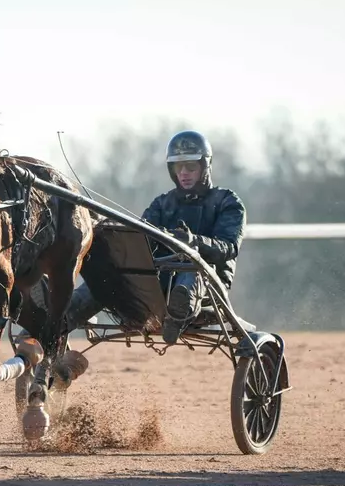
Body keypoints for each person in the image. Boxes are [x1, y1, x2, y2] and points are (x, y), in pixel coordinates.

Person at [60, 129, 247, 344]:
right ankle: (58, 321)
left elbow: (228, 247)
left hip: (208, 284)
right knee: (108, 275)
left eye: (191, 167)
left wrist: (192, 242)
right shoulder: (162, 204)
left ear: (205, 166)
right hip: (158, 283)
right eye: (178, 167)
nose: (184, 173)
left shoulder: (228, 203)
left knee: (192, 265)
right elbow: (138, 241)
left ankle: (178, 315)